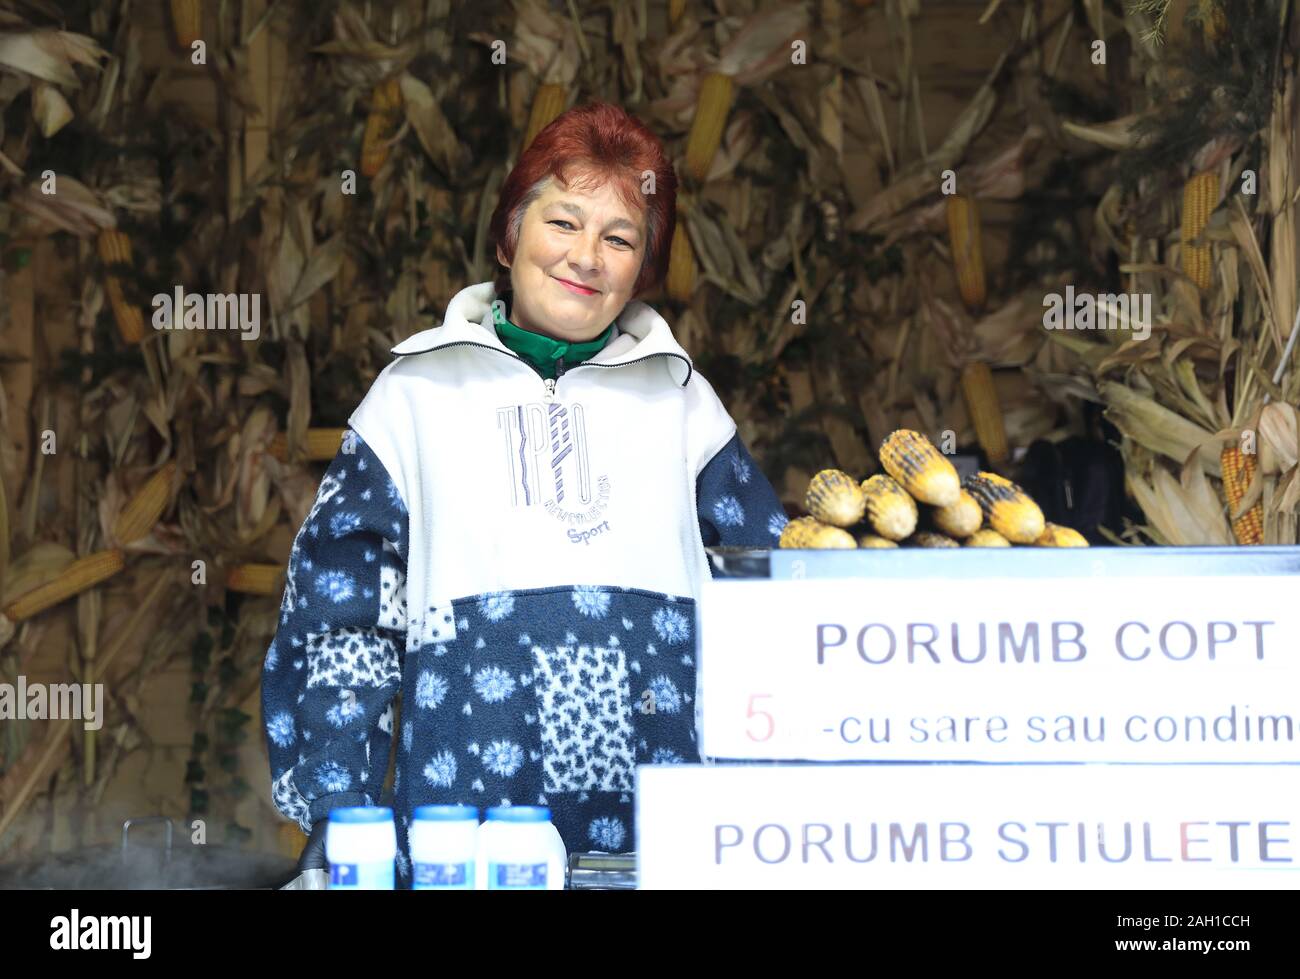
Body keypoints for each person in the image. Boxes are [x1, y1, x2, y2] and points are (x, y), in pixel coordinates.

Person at [262, 100, 788, 887]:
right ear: (510, 235)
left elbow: (776, 603)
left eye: (620, 238)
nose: (587, 257)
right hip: (461, 856)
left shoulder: (685, 405)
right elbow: (343, 619)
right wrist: (339, 810)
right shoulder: (411, 398)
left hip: (661, 856)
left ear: (643, 271)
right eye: (563, 223)